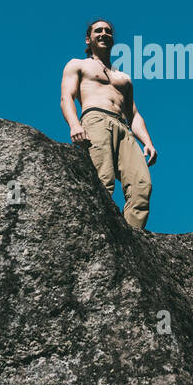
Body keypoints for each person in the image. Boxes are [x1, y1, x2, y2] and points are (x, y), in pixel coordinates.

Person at [60, 19, 157, 229]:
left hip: (124, 128)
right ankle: (96, 236)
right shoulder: (78, 64)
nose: (104, 33)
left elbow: (134, 115)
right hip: (95, 119)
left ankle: (131, 241)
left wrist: (147, 142)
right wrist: (75, 125)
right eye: (98, 30)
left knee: (142, 186)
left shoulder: (123, 77)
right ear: (88, 38)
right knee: (102, 181)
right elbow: (66, 97)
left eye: (108, 31)